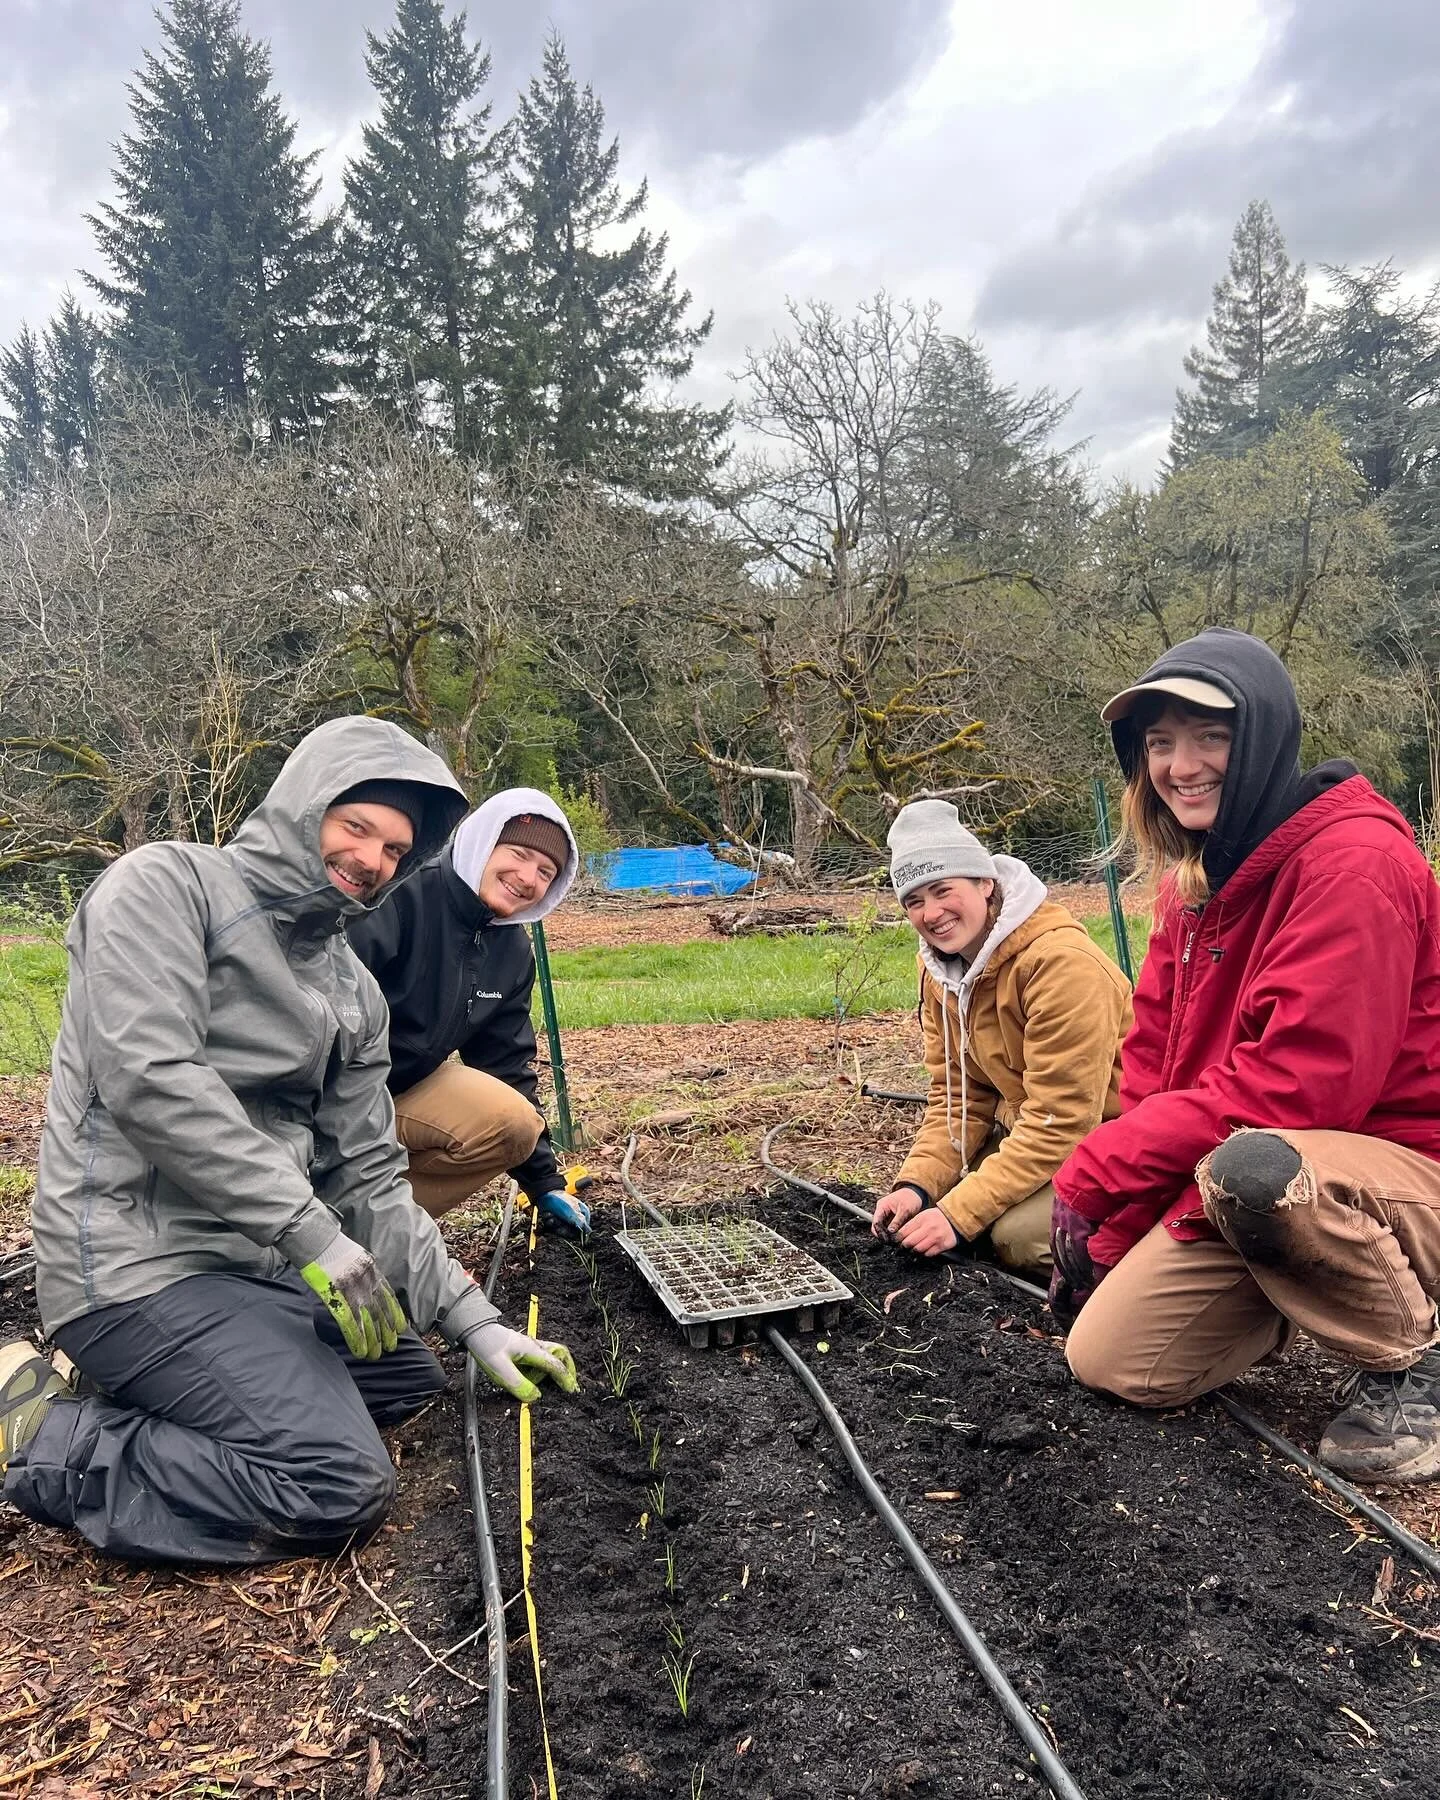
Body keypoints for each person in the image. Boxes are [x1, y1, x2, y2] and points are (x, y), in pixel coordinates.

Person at [0, 716, 576, 1566]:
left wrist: (474, 1320)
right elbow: (153, 1082)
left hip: (249, 1269)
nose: (371, 859)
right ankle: (39, 1429)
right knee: (335, 1484)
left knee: (406, 1377)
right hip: (136, 1266)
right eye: (355, 827)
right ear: (303, 806)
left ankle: (128, 1382)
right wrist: (315, 1238)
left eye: (394, 849)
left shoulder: (349, 987)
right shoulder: (165, 886)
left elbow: (374, 1173)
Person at [1051, 627, 1440, 1485]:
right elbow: (1152, 1065)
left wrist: (1096, 1172)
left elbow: (1304, 1088)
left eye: (1210, 736)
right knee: (1114, 1362)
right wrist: (1121, 1226)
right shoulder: (1194, 882)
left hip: (1397, 1171)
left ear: (1262, 736)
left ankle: (1417, 1360)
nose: (1181, 765)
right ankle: (1290, 1282)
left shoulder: (1354, 864)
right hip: (1271, 1165)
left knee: (1256, 1168)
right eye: (1159, 743)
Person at [869, 800, 1133, 1277]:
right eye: (914, 901)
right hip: (1035, 1131)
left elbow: (1062, 1121)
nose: (931, 913)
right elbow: (958, 1098)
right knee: (945, 1211)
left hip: (1112, 1138)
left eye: (942, 889)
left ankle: (1150, 1247)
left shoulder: (1060, 966)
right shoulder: (940, 973)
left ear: (985, 883)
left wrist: (957, 1216)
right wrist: (918, 1186)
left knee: (1019, 1239)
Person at [347, 788, 591, 1232]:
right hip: (330, 1098)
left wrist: (543, 1183)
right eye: (517, 853)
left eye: (546, 872)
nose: (527, 877)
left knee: (512, 1122)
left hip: (401, 1092)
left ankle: (375, 1231)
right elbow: (326, 1020)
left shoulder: (513, 951)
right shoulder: (401, 897)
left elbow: (506, 1064)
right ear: (482, 840)